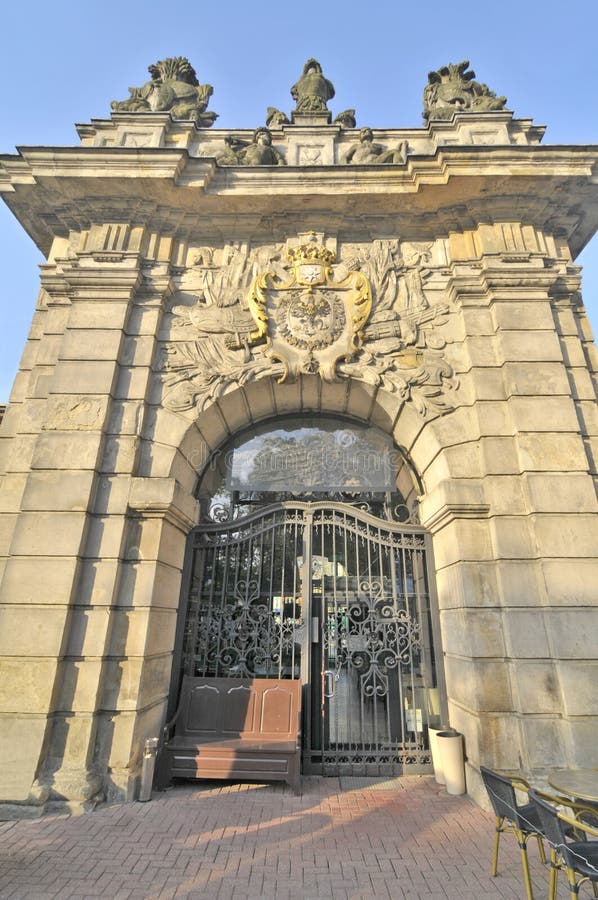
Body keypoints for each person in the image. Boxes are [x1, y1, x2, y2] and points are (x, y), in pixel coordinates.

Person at [342, 128, 408, 165]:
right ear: (360, 136)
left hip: (375, 161)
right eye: (363, 131)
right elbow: (345, 156)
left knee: (394, 151)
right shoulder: (356, 146)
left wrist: (398, 149)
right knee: (394, 151)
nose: (366, 131)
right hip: (360, 163)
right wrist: (345, 168)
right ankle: (400, 168)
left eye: (368, 130)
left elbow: (386, 157)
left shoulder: (377, 146)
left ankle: (399, 168)